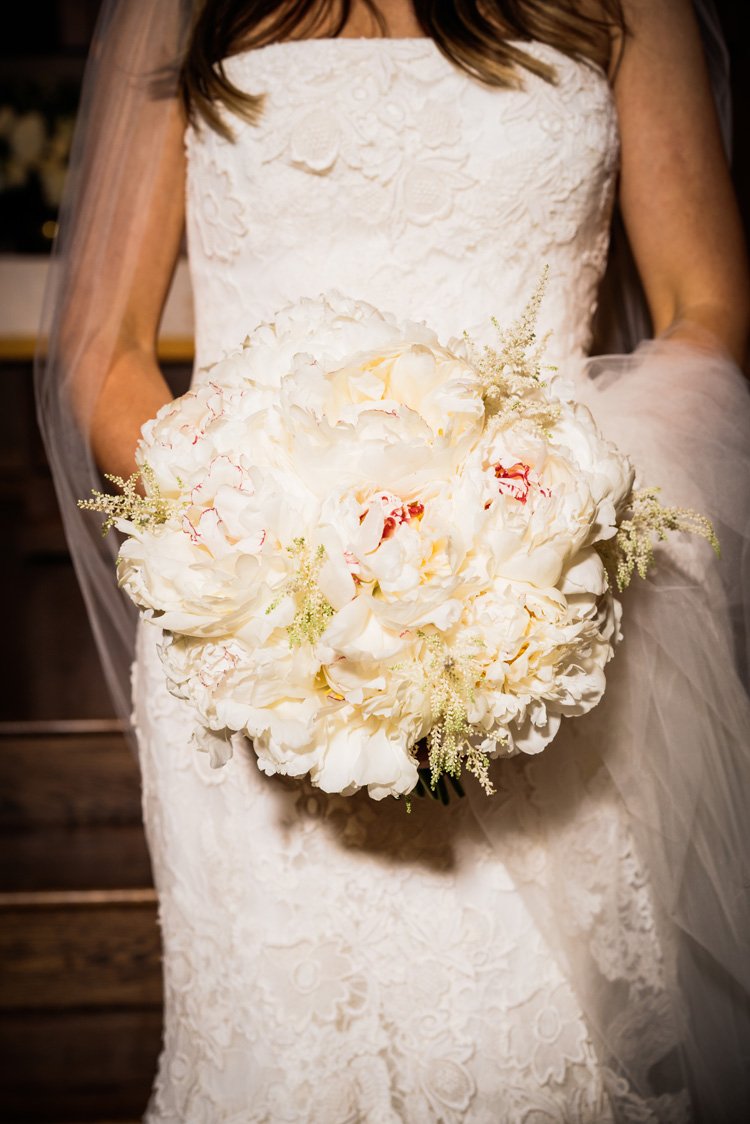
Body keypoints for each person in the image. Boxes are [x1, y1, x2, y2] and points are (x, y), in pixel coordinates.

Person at [35, 0, 750, 1119]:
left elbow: (708, 305)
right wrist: (257, 550)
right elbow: (103, 346)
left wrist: (543, 528)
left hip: (550, 623)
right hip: (252, 641)